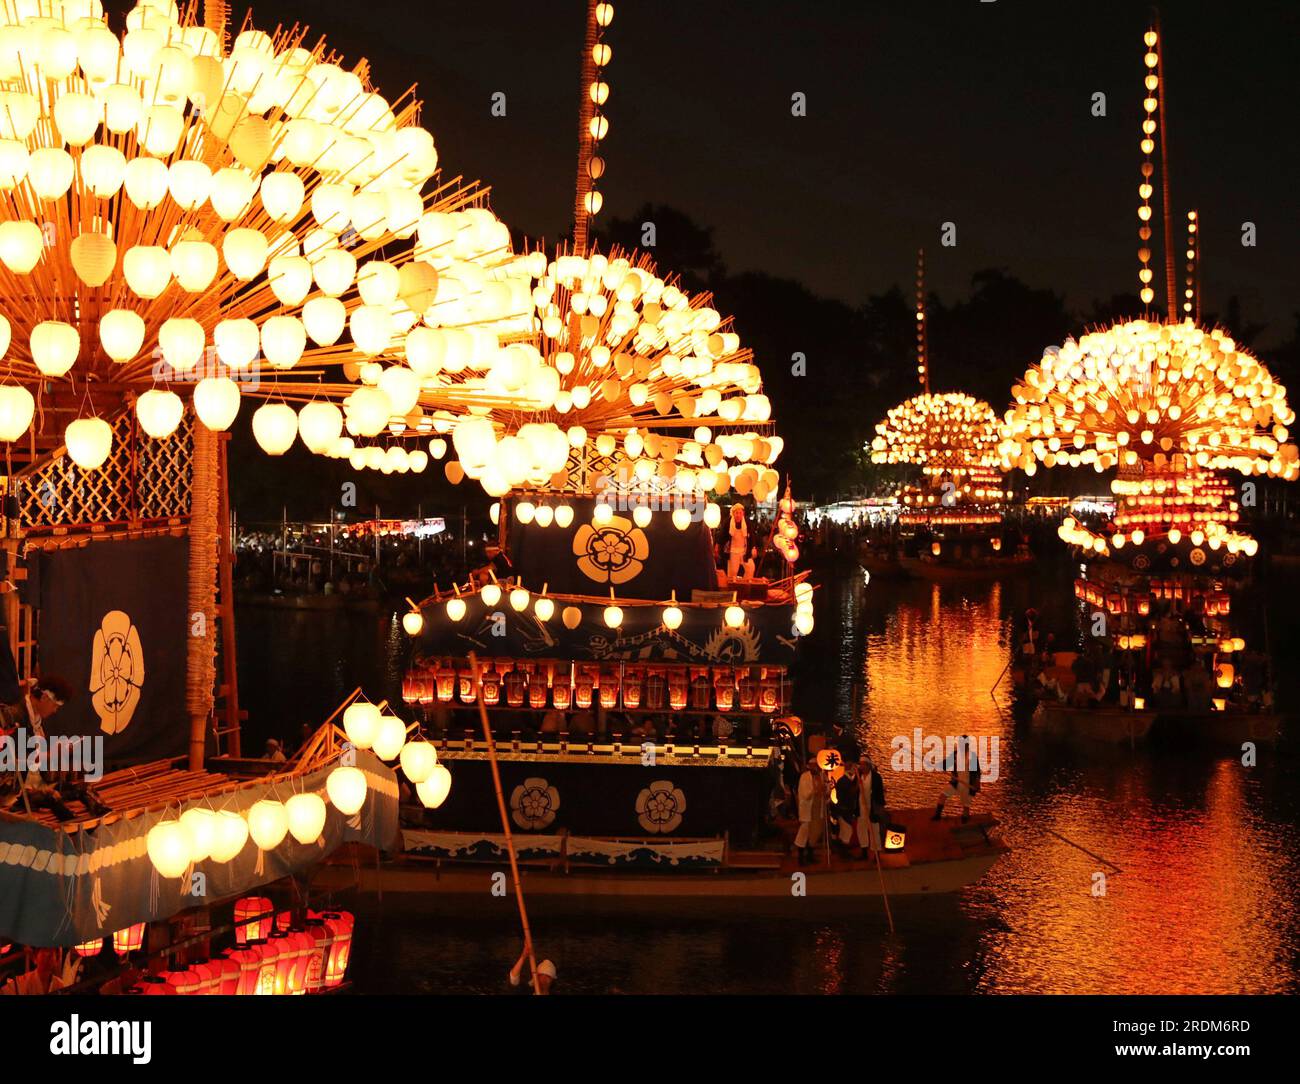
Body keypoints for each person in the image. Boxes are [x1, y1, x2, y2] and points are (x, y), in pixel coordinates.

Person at [933, 735, 980, 823]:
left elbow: (977, 773)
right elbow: (946, 764)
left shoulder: (972, 757)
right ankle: (937, 815)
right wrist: (938, 765)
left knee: (966, 807)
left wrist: (976, 785)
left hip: (967, 785)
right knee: (943, 795)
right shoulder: (955, 754)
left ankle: (965, 821)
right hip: (956, 782)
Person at [793, 761, 827, 864]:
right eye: (812, 765)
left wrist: (825, 791)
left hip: (818, 809)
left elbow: (827, 789)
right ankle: (801, 857)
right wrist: (815, 790)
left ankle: (810, 855)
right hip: (808, 808)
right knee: (804, 831)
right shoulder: (804, 777)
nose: (814, 767)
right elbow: (804, 794)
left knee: (815, 832)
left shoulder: (822, 776)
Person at [1, 947, 74, 995]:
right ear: (35, 958)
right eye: (45, 950)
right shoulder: (21, 982)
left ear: (56, 960)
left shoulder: (59, 984)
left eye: (52, 952)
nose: (48, 954)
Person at [726, 504, 748, 581]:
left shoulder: (746, 523)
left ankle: (745, 585)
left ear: (743, 514)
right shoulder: (729, 522)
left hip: (744, 551)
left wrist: (753, 548)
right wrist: (717, 545)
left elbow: (751, 536)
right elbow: (723, 535)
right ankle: (733, 585)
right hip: (733, 550)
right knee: (733, 571)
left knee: (749, 568)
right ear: (733, 513)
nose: (738, 515)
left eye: (740, 513)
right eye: (736, 513)